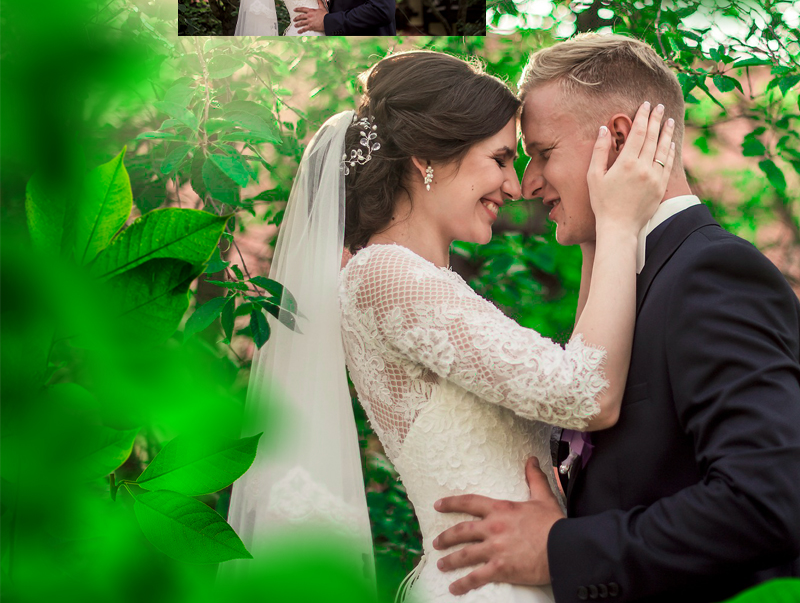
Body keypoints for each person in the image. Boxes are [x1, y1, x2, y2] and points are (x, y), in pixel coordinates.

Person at [225, 50, 677, 602]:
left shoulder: (420, 280)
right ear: (427, 160)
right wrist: (619, 222)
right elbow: (586, 394)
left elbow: (580, 366)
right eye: (501, 159)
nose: (515, 187)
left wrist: (591, 226)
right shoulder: (386, 276)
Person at [431, 34, 800, 602]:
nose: (528, 183)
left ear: (617, 138)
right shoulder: (630, 282)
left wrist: (560, 549)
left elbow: (766, 504)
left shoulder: (713, 274)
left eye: (542, 152)